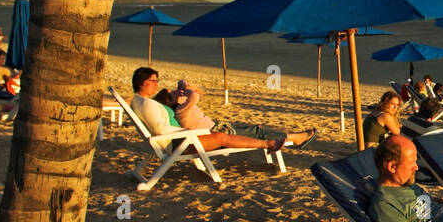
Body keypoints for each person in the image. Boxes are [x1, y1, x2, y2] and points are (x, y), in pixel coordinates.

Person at [131, 67, 308, 153]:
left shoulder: (141, 102)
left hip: (180, 139)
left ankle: (284, 139)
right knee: (229, 135)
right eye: (153, 81)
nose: (156, 84)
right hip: (180, 142)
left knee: (248, 130)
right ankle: (272, 142)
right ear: (142, 82)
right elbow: (161, 129)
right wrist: (188, 131)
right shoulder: (148, 104)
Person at [170, 78, 315, 147]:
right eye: (172, 93)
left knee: (256, 129)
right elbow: (195, 95)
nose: (176, 91)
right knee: (258, 132)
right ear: (171, 100)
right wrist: (186, 90)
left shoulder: (182, 106)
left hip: (220, 127)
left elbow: (192, 90)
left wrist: (183, 87)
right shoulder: (182, 111)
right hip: (217, 132)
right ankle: (296, 138)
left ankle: (294, 137)